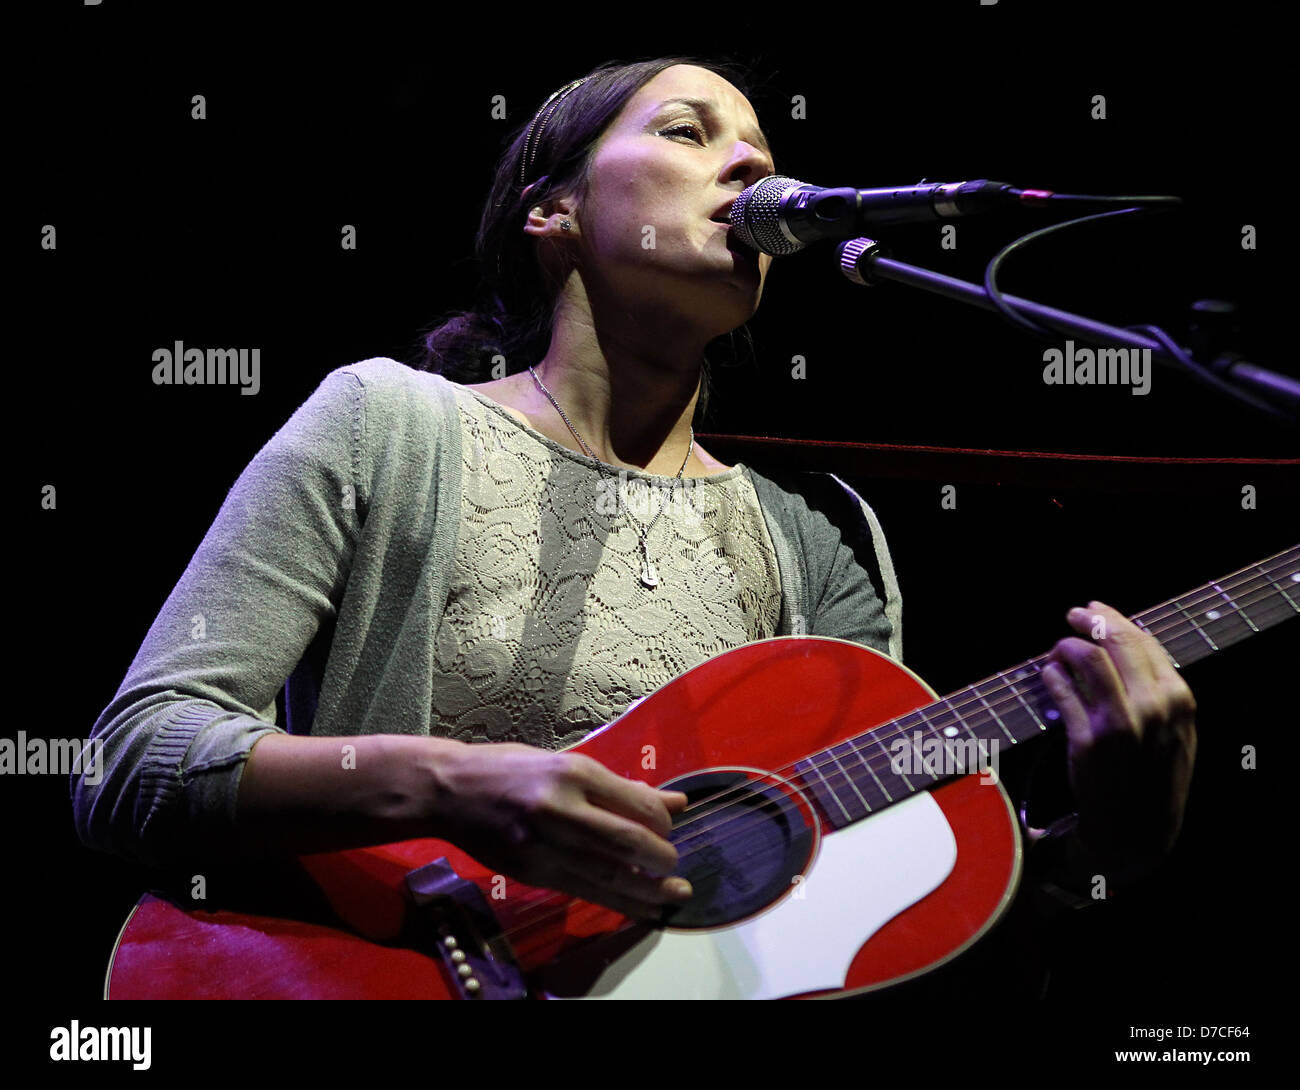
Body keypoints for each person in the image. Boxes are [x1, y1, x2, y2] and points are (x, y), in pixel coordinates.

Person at [71, 56, 1197, 981]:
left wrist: (1100, 845)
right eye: (688, 131)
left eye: (756, 144)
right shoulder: (388, 423)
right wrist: (457, 783)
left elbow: (861, 937)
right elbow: (131, 760)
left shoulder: (818, 532)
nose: (752, 160)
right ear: (552, 211)